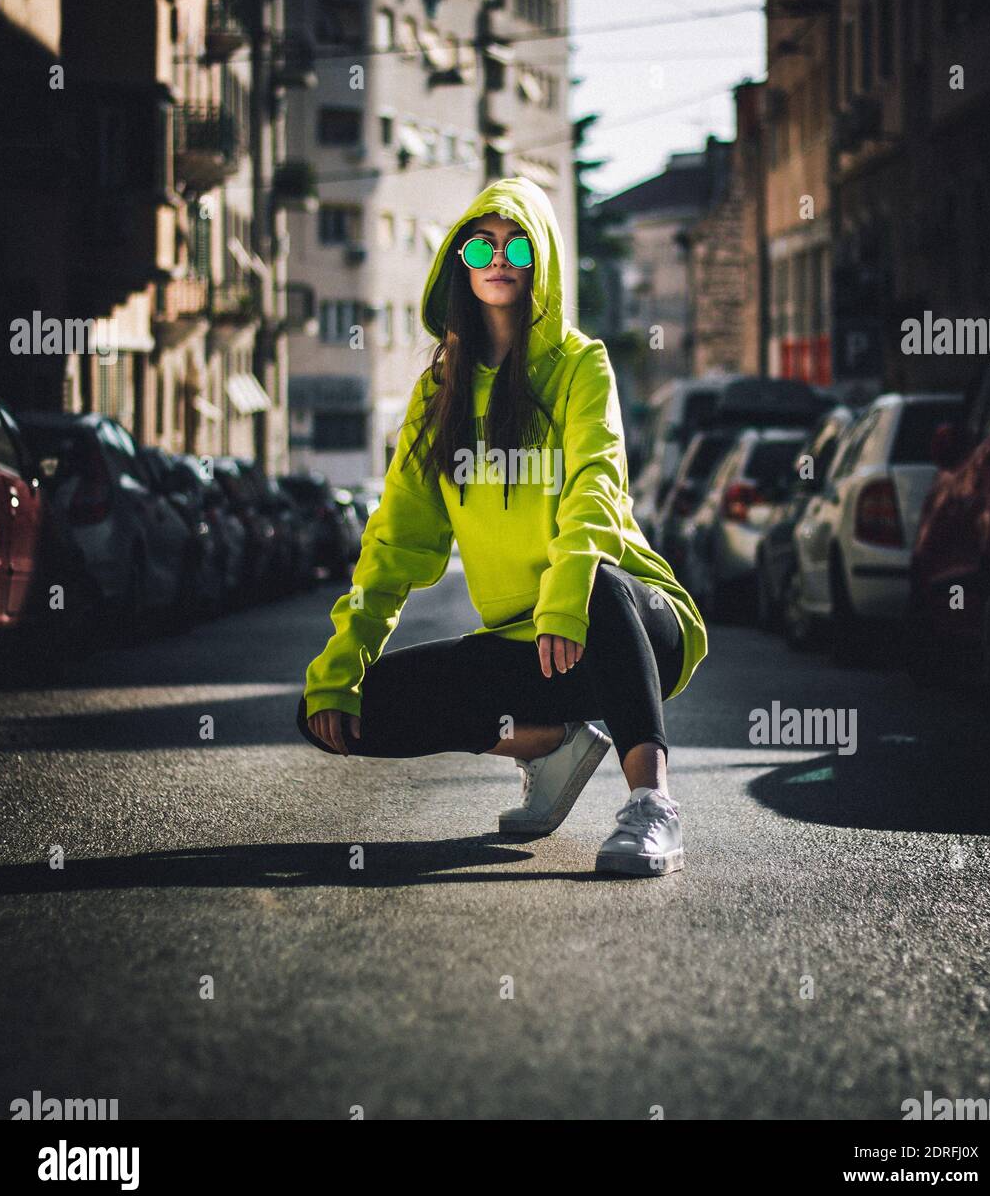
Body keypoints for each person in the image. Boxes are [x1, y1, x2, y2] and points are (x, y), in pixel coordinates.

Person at [297, 177, 707, 876]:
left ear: (539, 256)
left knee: (595, 579)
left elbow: (595, 489)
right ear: (457, 257)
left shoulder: (580, 363)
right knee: (337, 711)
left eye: (517, 241)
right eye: (480, 242)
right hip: (529, 651)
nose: (499, 256)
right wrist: (341, 665)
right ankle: (546, 745)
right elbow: (396, 543)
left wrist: (565, 597)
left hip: (628, 626)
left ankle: (652, 807)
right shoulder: (439, 393)